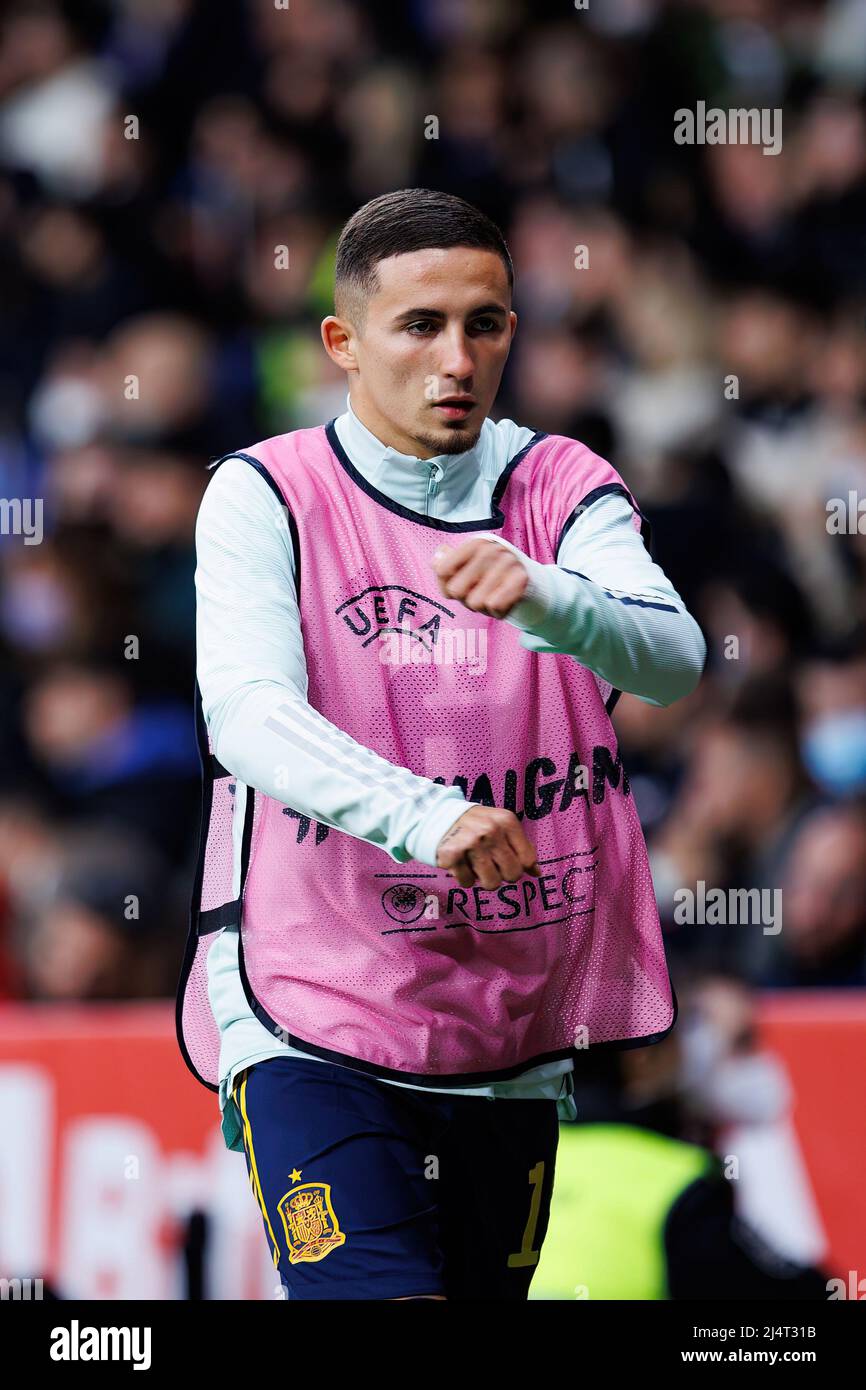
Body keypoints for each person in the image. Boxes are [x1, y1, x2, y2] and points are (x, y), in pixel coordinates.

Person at [176, 189, 706, 1300]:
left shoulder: (556, 484)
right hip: (311, 996)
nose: (455, 357)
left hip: (507, 1003)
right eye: (419, 325)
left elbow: (669, 656)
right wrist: (426, 815)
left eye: (486, 322)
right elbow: (247, 714)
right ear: (343, 343)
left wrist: (549, 597)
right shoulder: (264, 492)